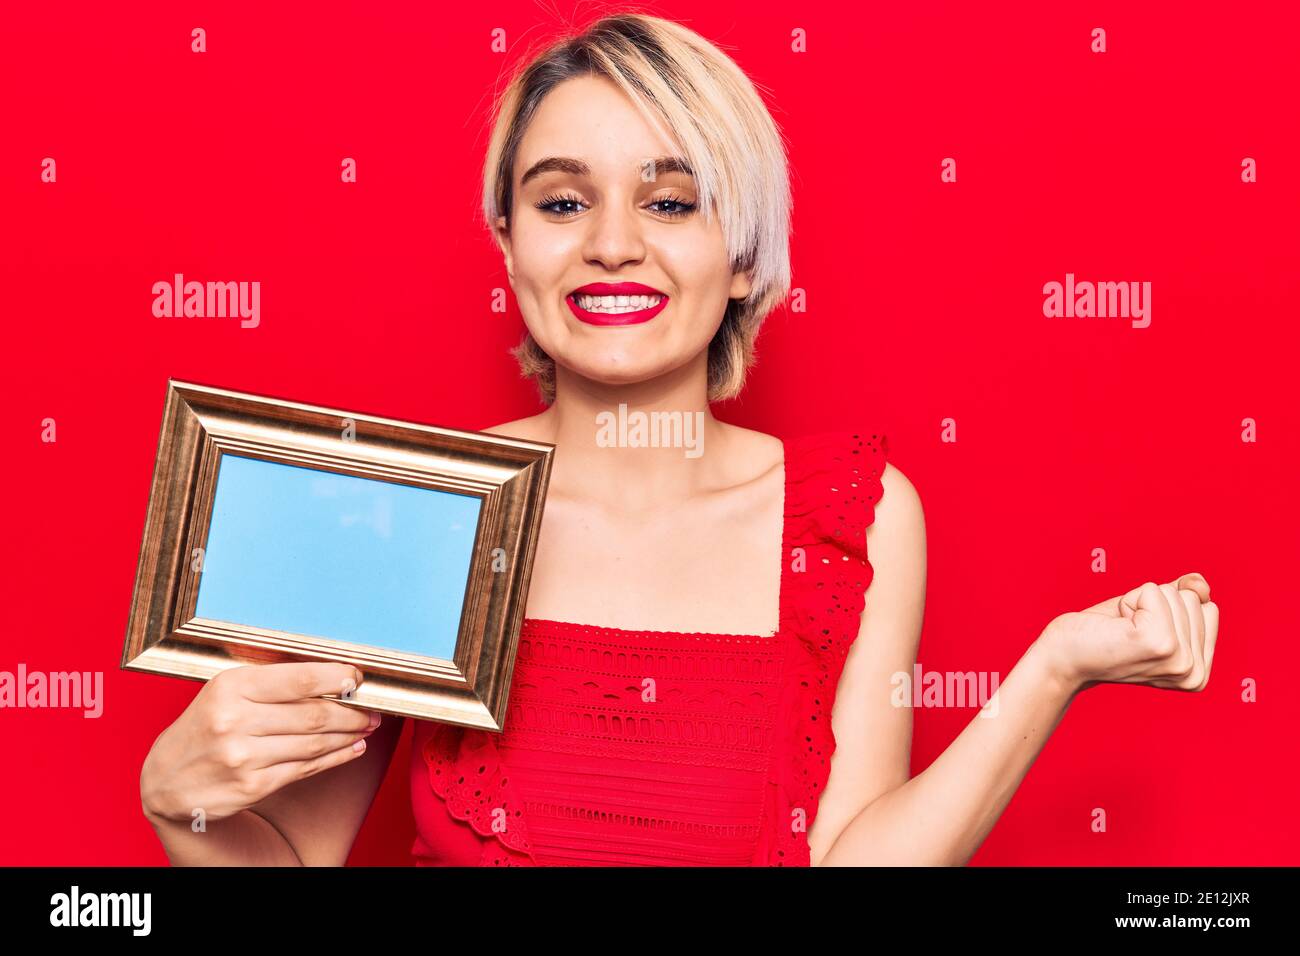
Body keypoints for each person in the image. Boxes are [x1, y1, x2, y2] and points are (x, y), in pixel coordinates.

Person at [139, 12, 1219, 867]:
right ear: (507, 242)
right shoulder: (417, 508)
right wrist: (179, 799)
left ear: (746, 254)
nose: (613, 246)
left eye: (671, 202)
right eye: (561, 202)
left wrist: (1052, 669)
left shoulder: (855, 517)